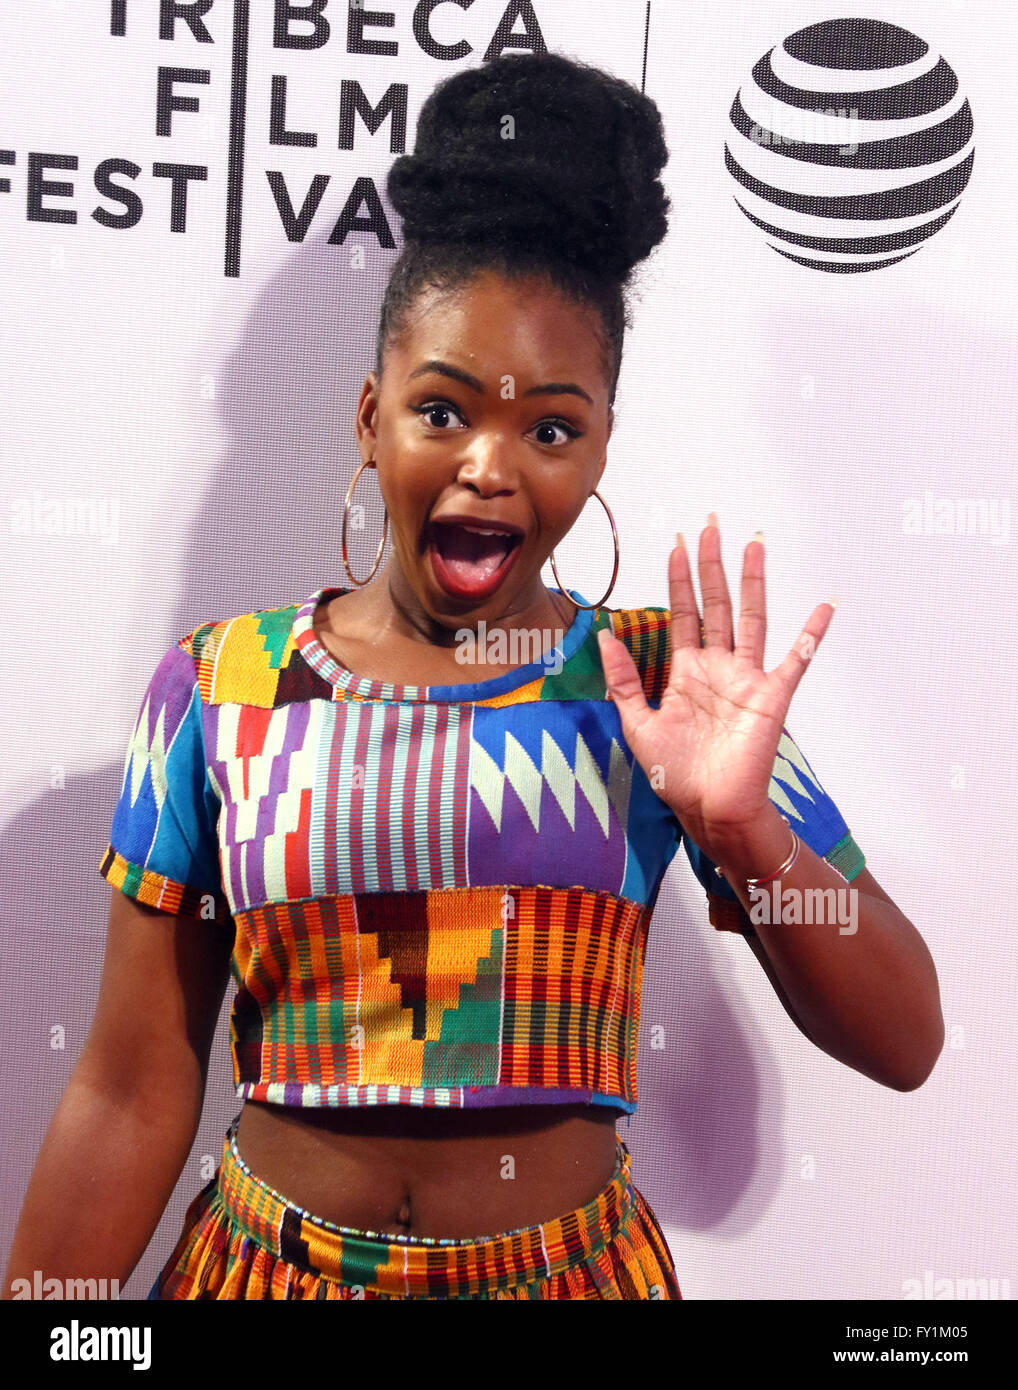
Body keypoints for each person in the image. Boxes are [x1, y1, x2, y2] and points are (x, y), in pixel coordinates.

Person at [4, 52, 943, 1302]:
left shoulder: (661, 686)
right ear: (369, 416)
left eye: (550, 428)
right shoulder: (217, 688)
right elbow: (126, 1085)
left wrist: (741, 827)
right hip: (264, 1276)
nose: (490, 467)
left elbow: (904, 1038)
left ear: (602, 444)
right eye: (441, 410)